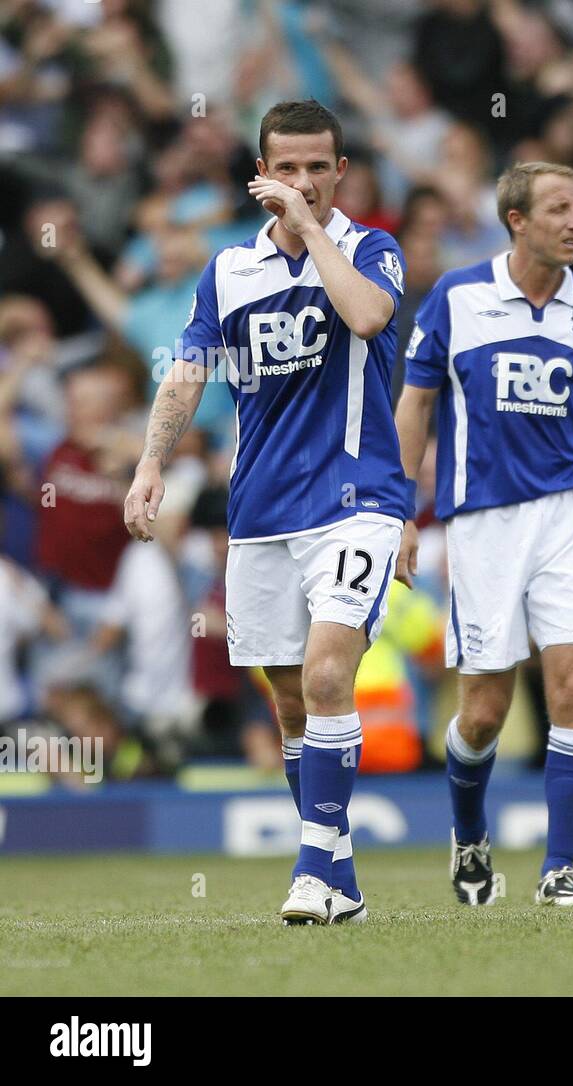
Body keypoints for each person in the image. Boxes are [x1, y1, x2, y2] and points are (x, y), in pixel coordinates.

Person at [123, 100, 410, 925]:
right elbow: (186, 374)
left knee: (328, 675)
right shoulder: (228, 273)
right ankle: (341, 872)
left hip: (357, 502)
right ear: (261, 173)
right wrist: (150, 463)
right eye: (287, 168)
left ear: (341, 172)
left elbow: (366, 317)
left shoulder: (370, 251)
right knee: (291, 702)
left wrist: (312, 229)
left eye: (319, 167)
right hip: (260, 512)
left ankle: (311, 871)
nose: (304, 182)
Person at [395, 161, 573, 907]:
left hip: (568, 513)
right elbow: (415, 407)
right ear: (516, 220)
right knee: (484, 711)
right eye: (558, 208)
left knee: (571, 683)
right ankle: (469, 839)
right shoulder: (457, 296)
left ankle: (559, 872)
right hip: (483, 523)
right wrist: (402, 510)